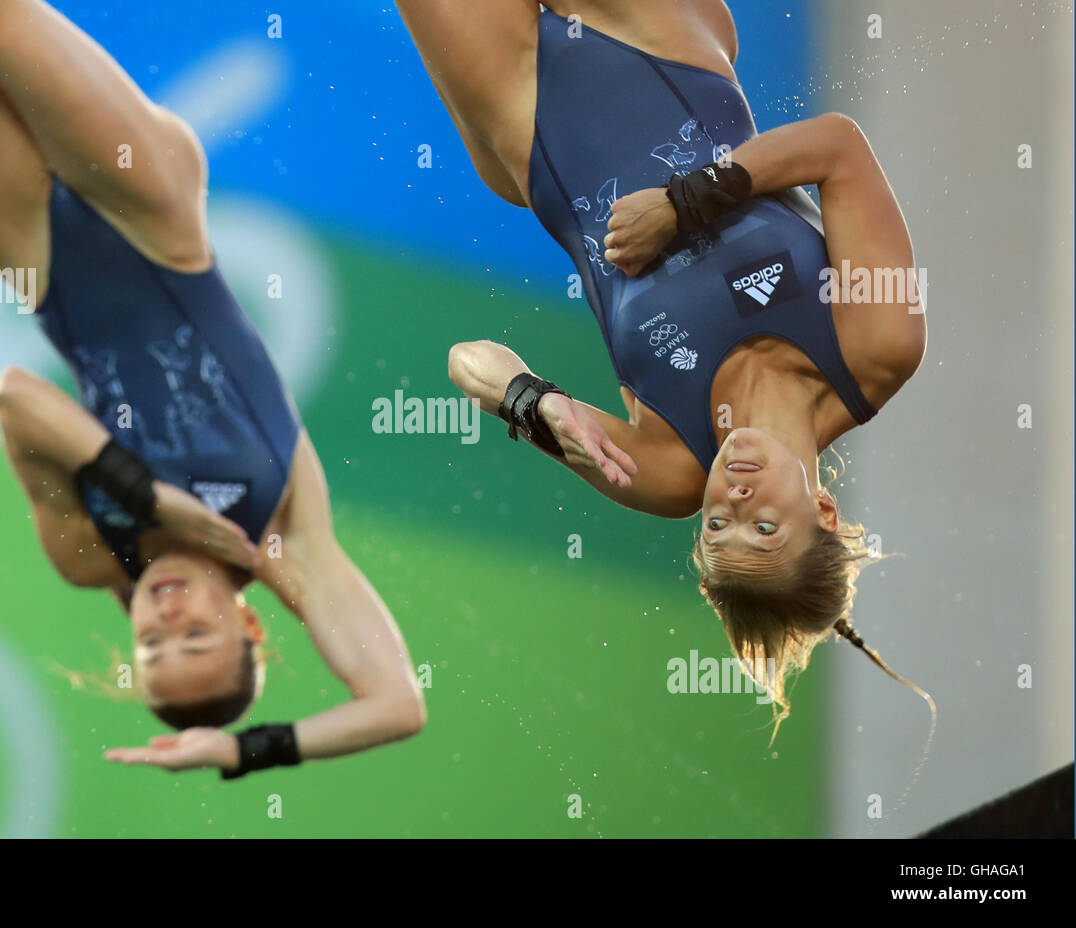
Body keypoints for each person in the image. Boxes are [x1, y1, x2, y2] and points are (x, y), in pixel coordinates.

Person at [0, 0, 425, 777]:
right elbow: (400, 705)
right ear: (249, 627)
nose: (166, 619)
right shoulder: (282, 537)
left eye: (152, 646)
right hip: (153, 216)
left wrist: (149, 499)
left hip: (37, 256)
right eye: (196, 635)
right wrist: (241, 752)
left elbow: (16, 396)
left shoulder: (95, 554)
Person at [396, 0, 929, 726]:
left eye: (716, 532)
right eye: (765, 529)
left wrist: (533, 405)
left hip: (529, 126)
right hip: (667, 48)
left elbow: (468, 363)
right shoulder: (877, 349)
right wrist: (688, 201)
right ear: (824, 512)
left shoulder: (670, 468)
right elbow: (840, 149)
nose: (733, 506)